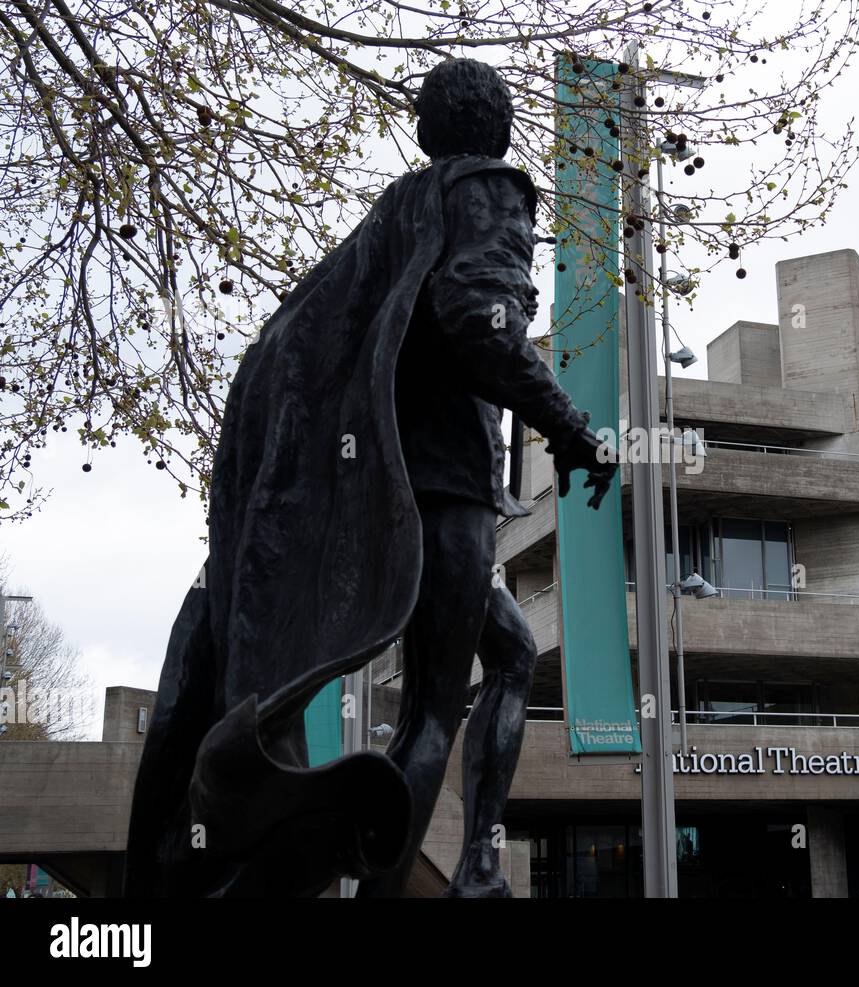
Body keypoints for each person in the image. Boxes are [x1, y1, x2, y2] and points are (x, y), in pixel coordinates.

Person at [125, 57, 614, 897]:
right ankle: (428, 883)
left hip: (381, 488)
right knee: (431, 705)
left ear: (428, 128)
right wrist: (572, 430)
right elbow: (482, 327)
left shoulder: (397, 209)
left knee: (509, 651)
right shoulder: (490, 190)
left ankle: (479, 862)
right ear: (495, 126)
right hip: (443, 483)